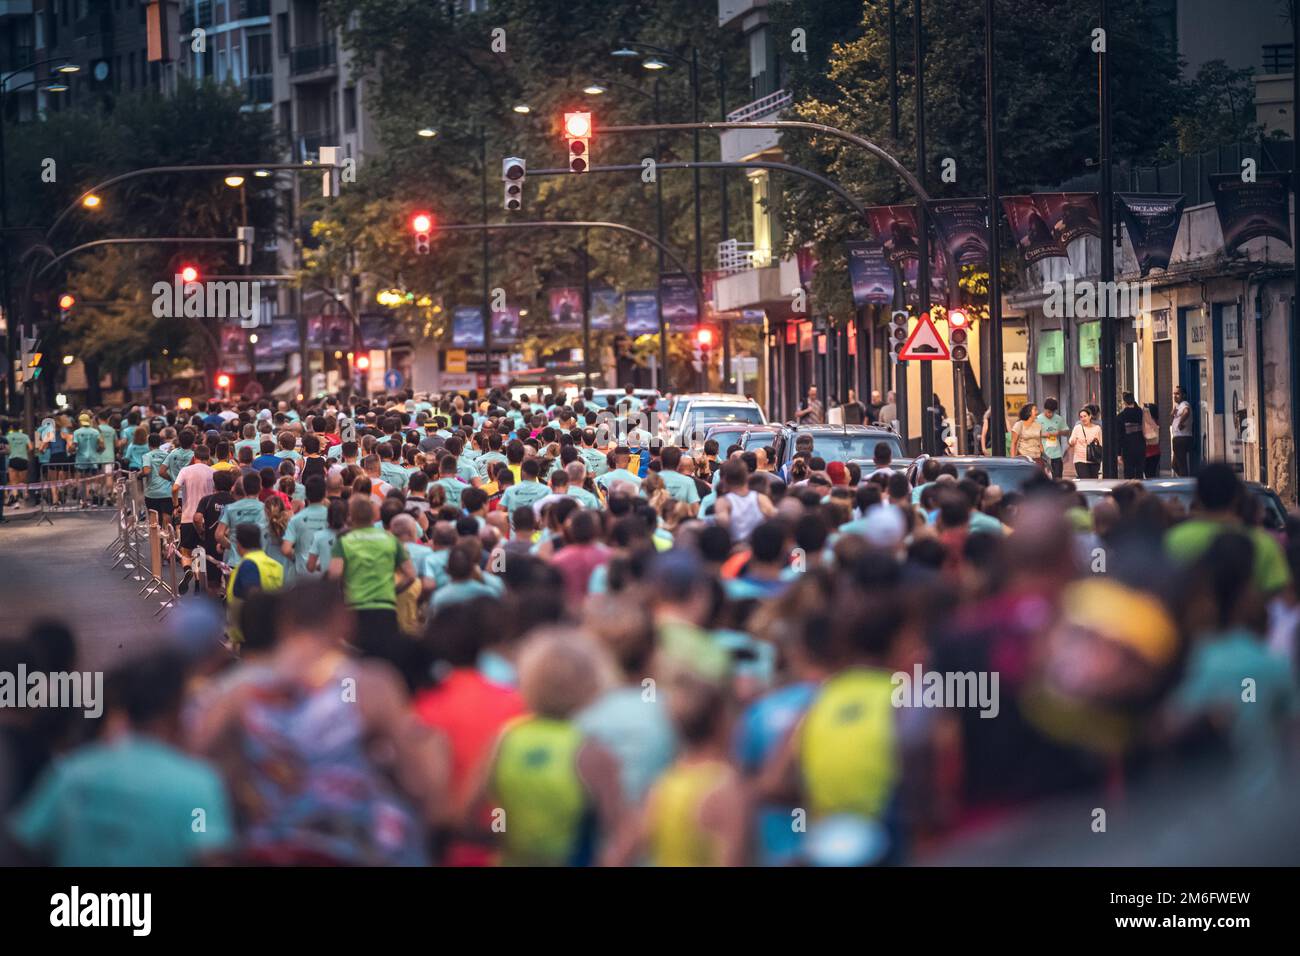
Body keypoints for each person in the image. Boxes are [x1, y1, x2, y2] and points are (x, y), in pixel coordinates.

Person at [10, 650, 235, 866]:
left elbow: (25, 843)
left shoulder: (71, 772)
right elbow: (207, 848)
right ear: (175, 710)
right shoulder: (196, 786)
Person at [1068, 407, 1103, 478]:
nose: (1083, 418)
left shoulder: (1097, 428)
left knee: (1094, 481)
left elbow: (1101, 443)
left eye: (1085, 416)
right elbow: (1071, 442)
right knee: (1085, 480)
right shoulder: (1077, 428)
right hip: (1080, 459)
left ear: (1090, 416)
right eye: (1081, 417)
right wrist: (1072, 442)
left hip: (1094, 459)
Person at [1037, 398, 1067, 480]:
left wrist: (1059, 433)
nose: (1050, 414)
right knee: (1044, 479)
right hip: (1043, 454)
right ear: (1044, 409)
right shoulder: (1038, 419)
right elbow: (1033, 434)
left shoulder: (1059, 419)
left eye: (1052, 412)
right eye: (1048, 412)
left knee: (1058, 479)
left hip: (1056, 454)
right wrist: (1044, 435)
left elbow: (1067, 432)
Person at [1171, 385, 1193, 476]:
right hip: (1178, 438)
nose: (1175, 396)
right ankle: (1183, 479)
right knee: (1175, 464)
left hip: (1182, 438)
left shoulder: (1185, 404)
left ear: (1183, 395)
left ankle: (1185, 482)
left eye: (1177, 394)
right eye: (1174, 394)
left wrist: (1181, 422)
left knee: (1181, 464)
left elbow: (1186, 412)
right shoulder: (1178, 406)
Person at [1142, 403, 1161, 478]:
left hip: (1148, 453)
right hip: (1155, 452)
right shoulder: (1156, 422)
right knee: (1151, 474)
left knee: (1149, 474)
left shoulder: (1148, 423)